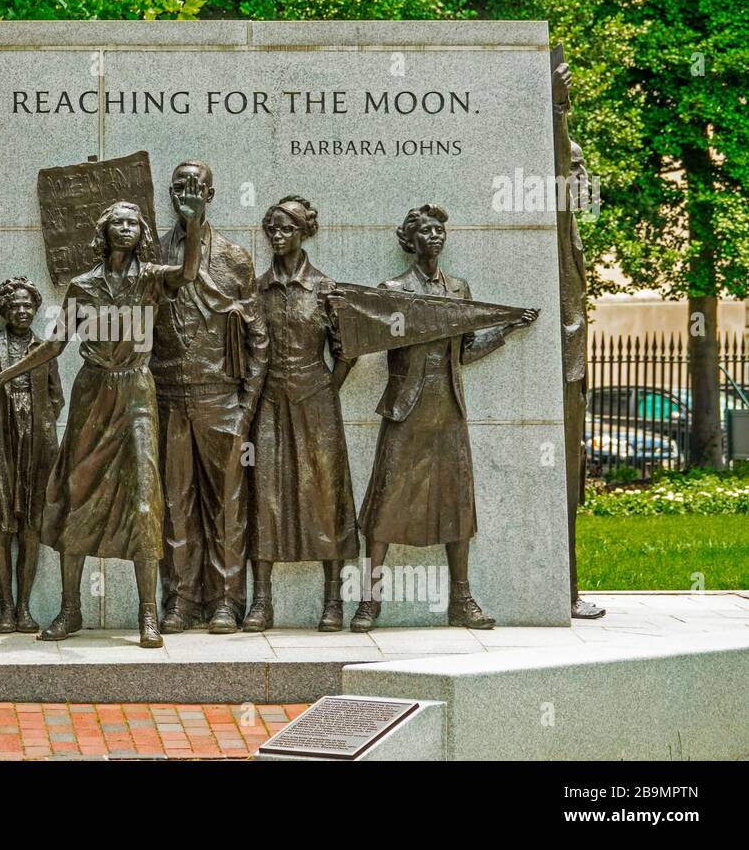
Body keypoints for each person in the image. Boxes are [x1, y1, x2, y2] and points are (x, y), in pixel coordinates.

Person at [0, 193, 207, 649]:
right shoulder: (83, 286)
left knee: (144, 499)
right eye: (117, 223)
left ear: (141, 236)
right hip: (92, 395)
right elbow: (53, 346)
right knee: (76, 499)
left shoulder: (152, 281)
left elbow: (190, 273)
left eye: (133, 224)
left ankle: (147, 614)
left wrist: (193, 225)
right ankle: (71, 609)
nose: (125, 229)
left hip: (137, 391)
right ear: (104, 232)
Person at [352, 204, 538, 633]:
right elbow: (383, 341)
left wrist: (505, 328)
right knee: (385, 504)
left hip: (449, 410)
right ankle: (369, 600)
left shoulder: (459, 289)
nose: (435, 237)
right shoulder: (394, 289)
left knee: (457, 504)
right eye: (426, 231)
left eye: (439, 231)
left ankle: (461, 598)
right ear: (409, 240)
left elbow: (465, 350)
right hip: (407, 409)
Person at [151, 160, 269, 636]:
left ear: (213, 193)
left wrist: (246, 408)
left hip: (221, 398)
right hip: (168, 397)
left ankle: (225, 600)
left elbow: (259, 338)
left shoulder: (235, 258)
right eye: (179, 185)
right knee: (175, 503)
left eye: (197, 186)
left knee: (226, 504)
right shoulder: (153, 252)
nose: (187, 192)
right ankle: (180, 599)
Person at [245, 196, 360, 632]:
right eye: (271, 228)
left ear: (303, 232)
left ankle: (333, 601)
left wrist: (326, 391)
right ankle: (262, 601)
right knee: (265, 495)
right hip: (270, 402)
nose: (277, 235)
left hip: (316, 402)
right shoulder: (257, 290)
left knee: (326, 496)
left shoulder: (327, 288)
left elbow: (346, 351)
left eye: (286, 228)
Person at [0, 277, 64, 633]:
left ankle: (25, 607)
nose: (22, 311)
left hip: (36, 442)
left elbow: (56, 397)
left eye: (28, 306)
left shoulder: (44, 348)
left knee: (31, 527)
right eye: (16, 306)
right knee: (2, 524)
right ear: (4, 310)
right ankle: (5, 608)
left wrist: (45, 432)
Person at [552, 58, 606, 620]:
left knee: (570, 474)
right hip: (559, 352)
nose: (582, 179)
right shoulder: (551, 200)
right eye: (575, 167)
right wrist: (558, 111)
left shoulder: (570, 231)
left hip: (571, 351)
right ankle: (558, 588)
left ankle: (565, 587)